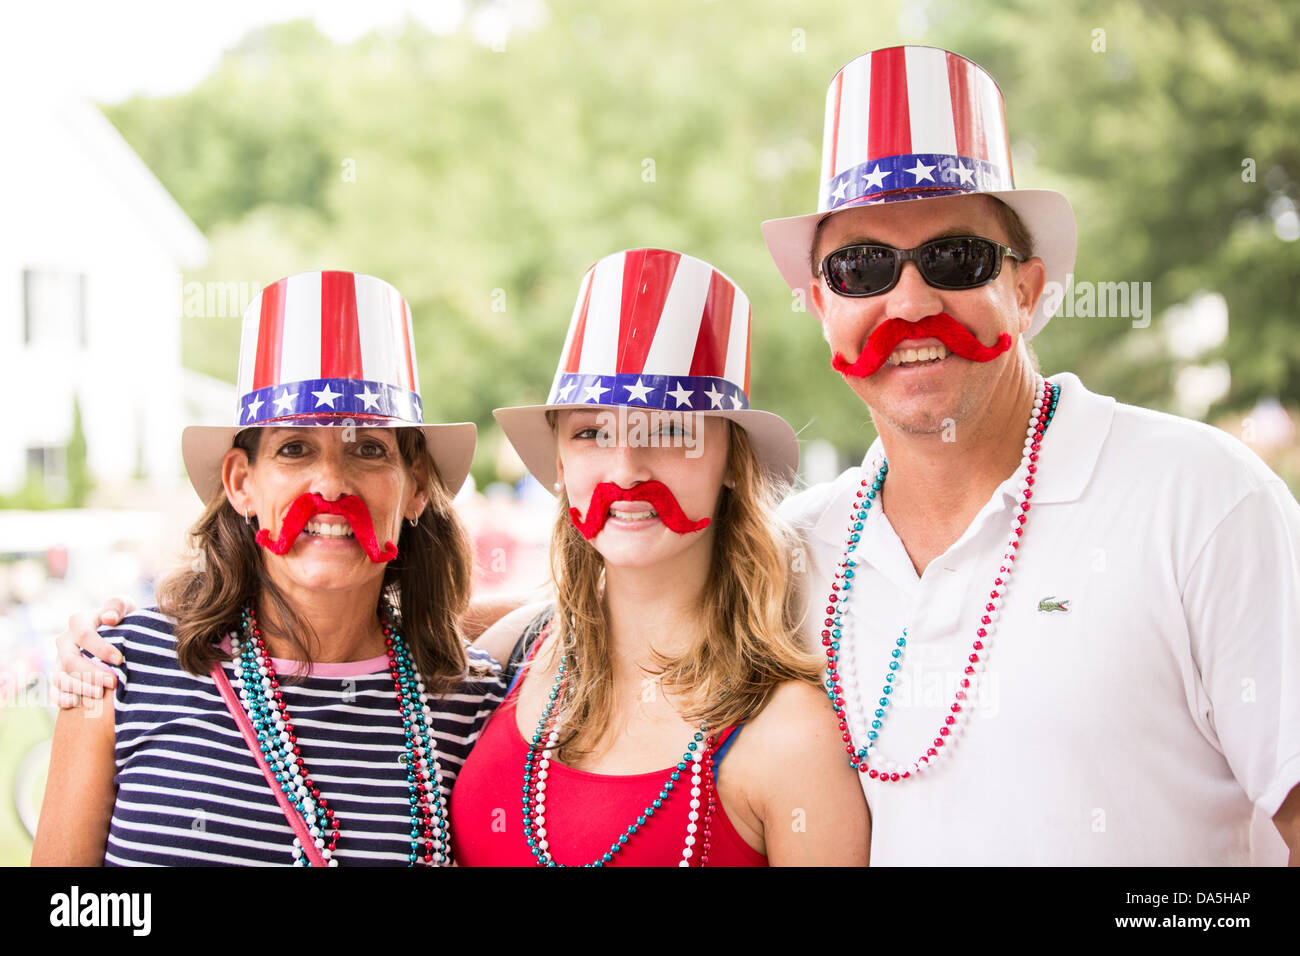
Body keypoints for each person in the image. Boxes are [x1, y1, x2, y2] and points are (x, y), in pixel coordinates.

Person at [759, 46, 1300, 864]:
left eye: (954, 258)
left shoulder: (1205, 500)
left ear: (1028, 286)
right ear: (821, 305)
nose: (909, 302)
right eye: (861, 266)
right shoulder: (789, 552)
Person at [32, 270, 508, 866]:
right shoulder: (116, 668)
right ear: (241, 483)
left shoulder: (473, 702)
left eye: (368, 450)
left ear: (414, 489)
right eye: (294, 449)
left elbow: (588, 617)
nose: (331, 484)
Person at [452, 248, 869, 865]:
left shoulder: (793, 736)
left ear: (733, 461)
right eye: (592, 432)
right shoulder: (510, 651)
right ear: (561, 462)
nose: (626, 471)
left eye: (670, 430)